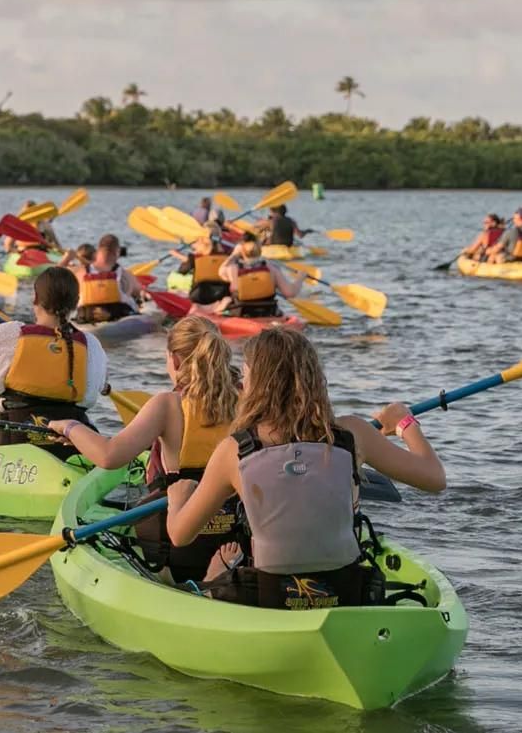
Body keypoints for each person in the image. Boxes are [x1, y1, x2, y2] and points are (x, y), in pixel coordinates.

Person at [165, 328, 447, 606]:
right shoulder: (353, 434)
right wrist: (403, 421)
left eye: (246, 374)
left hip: (271, 596)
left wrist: (177, 500)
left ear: (257, 385)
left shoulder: (234, 450)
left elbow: (180, 535)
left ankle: (216, 576)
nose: (242, 384)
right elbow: (434, 478)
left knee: (210, 578)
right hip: (346, 593)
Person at [51, 316, 242, 583]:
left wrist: (70, 426)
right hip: (235, 540)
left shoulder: (167, 405)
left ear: (174, 360)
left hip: (180, 546)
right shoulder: (246, 402)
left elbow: (109, 456)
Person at [0, 267, 108, 449]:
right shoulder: (91, 345)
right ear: (76, 303)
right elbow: (93, 393)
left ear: (35, 299)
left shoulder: (12, 334)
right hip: (72, 437)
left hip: (15, 433)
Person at [66, 233, 144, 324]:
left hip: (86, 318)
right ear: (117, 252)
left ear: (97, 251)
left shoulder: (80, 272)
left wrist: (66, 258)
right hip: (118, 317)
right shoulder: (125, 275)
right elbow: (139, 292)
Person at [220, 233, 300, 318]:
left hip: (241, 312)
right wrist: (300, 277)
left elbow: (220, 272)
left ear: (241, 251)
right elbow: (290, 293)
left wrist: (234, 254)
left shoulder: (233, 269)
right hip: (268, 312)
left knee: (223, 302)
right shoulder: (271, 268)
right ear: (260, 250)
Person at [173, 233, 231, 310]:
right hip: (221, 295)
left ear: (200, 243)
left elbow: (182, 271)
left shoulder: (195, 258)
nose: (193, 245)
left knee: (176, 291)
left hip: (199, 296)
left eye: (195, 242)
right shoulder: (227, 257)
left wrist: (185, 259)